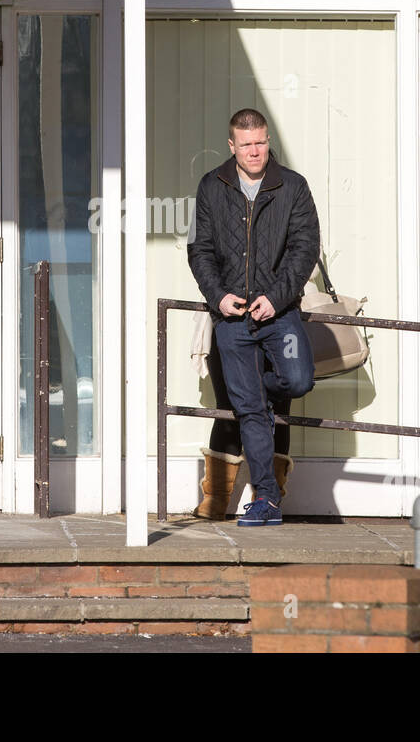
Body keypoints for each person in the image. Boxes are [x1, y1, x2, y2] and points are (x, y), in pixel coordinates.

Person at [187, 108, 320, 526]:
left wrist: (275, 298)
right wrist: (217, 296)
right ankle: (266, 498)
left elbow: (305, 249)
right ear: (232, 146)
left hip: (278, 315)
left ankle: (253, 393)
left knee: (298, 380)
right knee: (249, 411)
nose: (254, 151)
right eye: (245, 144)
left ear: (268, 139)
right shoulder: (212, 186)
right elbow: (199, 250)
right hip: (232, 319)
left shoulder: (292, 187)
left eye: (260, 142)